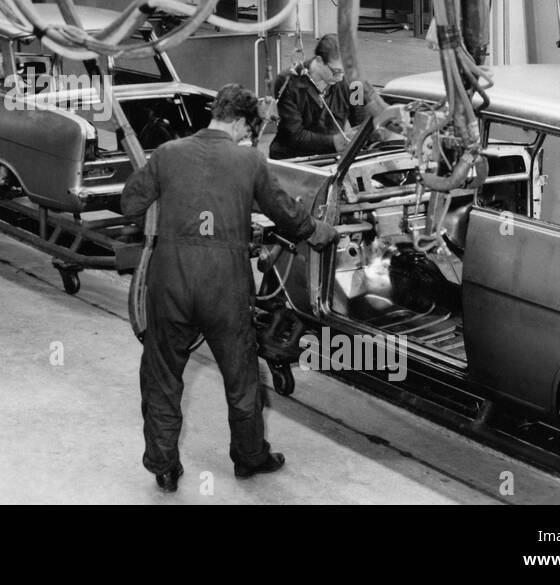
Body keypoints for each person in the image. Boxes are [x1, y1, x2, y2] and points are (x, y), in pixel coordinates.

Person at [121, 84, 336, 492]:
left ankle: (163, 466)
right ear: (238, 122)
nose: (248, 138)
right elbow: (286, 214)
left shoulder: (167, 153)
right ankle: (249, 458)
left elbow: (129, 203)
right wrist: (317, 231)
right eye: (247, 130)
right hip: (225, 286)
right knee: (240, 377)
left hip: (171, 283)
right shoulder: (249, 161)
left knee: (162, 375)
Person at [268, 33, 374, 158]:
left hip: (332, 158)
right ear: (319, 60)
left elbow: (361, 119)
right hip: (294, 158)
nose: (340, 78)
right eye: (336, 71)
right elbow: (294, 135)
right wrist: (335, 141)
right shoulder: (288, 82)